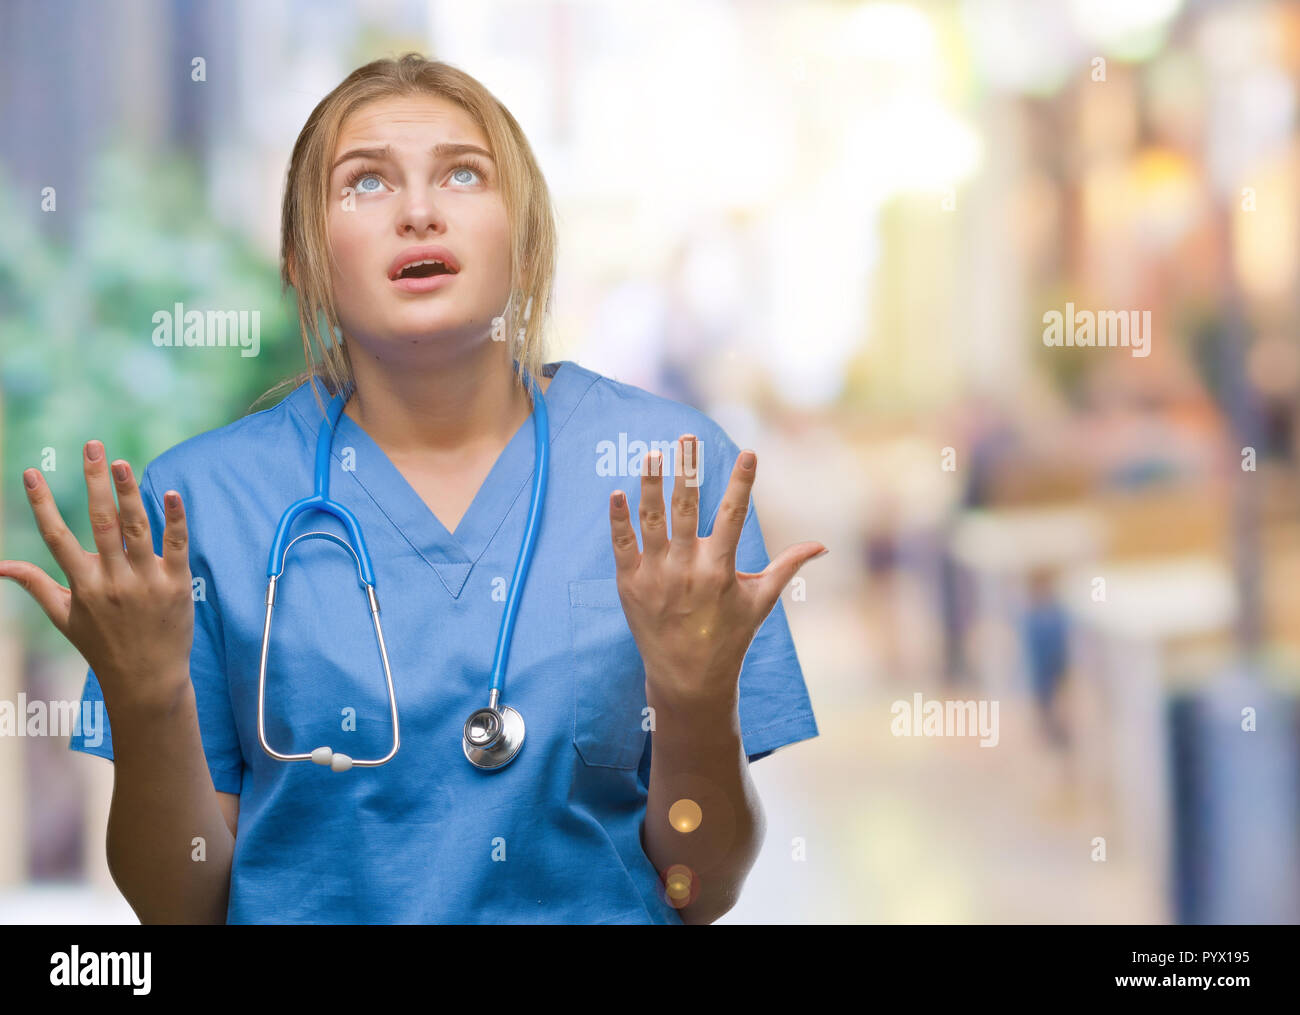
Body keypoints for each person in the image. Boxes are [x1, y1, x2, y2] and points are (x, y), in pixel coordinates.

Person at [0, 54, 823, 925]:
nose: (420, 211)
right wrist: (149, 700)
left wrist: (694, 701)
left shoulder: (668, 474)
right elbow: (179, 907)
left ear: (528, 232)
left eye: (465, 173)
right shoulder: (198, 507)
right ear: (299, 254)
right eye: (365, 183)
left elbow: (701, 887)